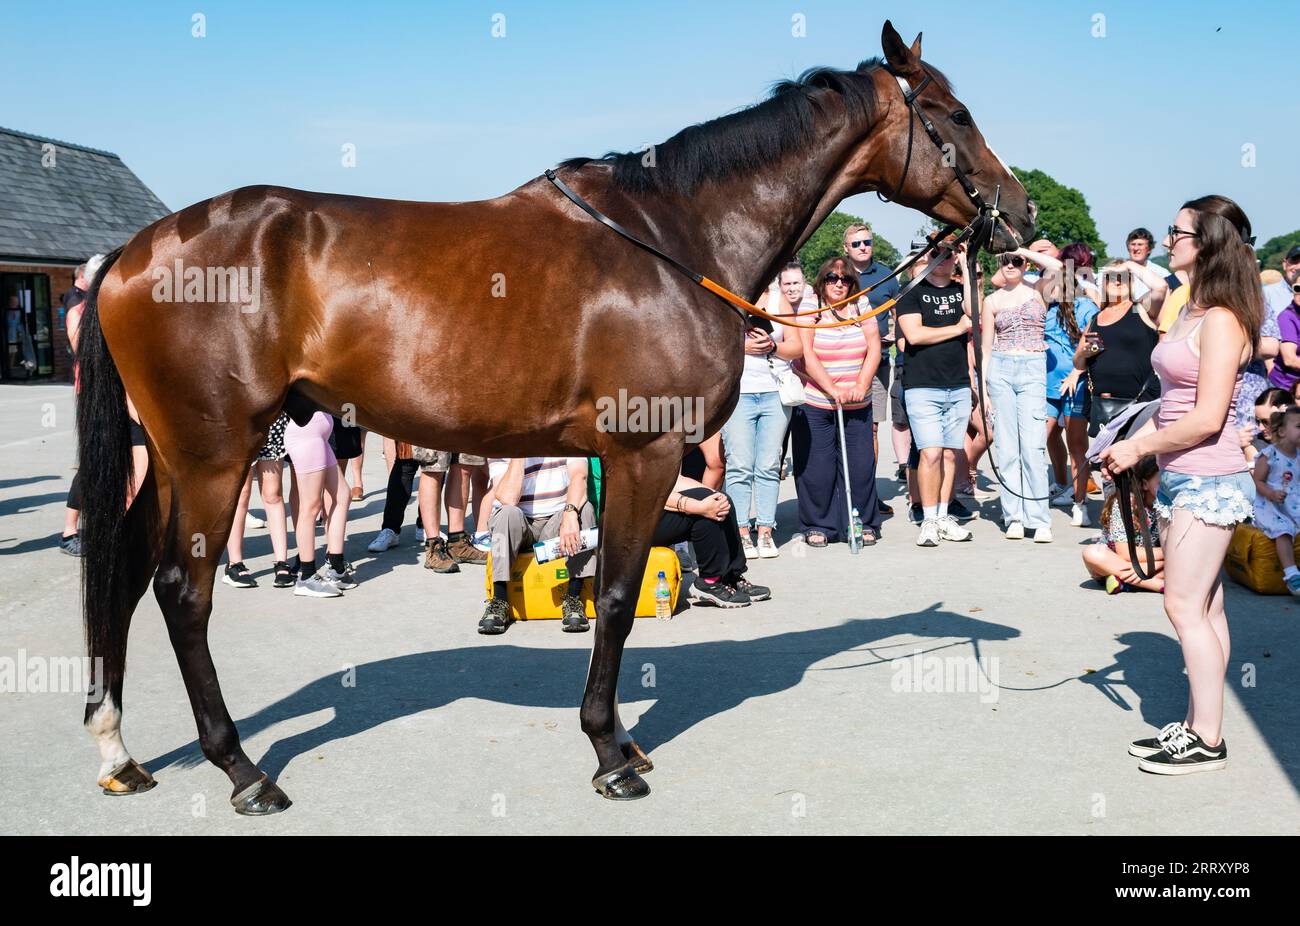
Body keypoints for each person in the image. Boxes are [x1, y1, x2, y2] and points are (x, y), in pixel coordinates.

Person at [1103, 194, 1261, 776]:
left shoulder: (1220, 318)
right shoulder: (1187, 304)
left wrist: (1139, 448)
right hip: (1180, 473)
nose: (1170, 239)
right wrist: (1141, 444)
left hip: (1207, 476)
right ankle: (1198, 724)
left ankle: (1209, 741)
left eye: (1179, 232)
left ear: (1209, 242)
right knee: (1207, 606)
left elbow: (1208, 416)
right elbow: (1173, 400)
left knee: (1182, 605)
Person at [791, 257, 883, 546]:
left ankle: (862, 521)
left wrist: (861, 384)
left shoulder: (860, 304)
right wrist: (831, 389)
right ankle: (819, 524)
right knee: (818, 468)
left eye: (844, 279)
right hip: (818, 400)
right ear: (822, 280)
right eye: (832, 278)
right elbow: (805, 351)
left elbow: (875, 346)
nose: (839, 283)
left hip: (857, 401)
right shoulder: (811, 304)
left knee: (860, 465)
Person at [723, 261, 804, 559]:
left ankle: (766, 530)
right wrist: (742, 348)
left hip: (774, 393)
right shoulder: (730, 295)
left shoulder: (778, 299)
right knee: (740, 464)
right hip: (740, 393)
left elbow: (796, 347)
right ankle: (741, 530)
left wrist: (771, 346)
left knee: (769, 465)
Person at [896, 240, 974, 546]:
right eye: (935, 252)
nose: (943, 257)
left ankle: (943, 516)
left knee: (950, 454)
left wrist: (966, 266)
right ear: (925, 258)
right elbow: (914, 335)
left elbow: (974, 312)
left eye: (949, 252)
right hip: (922, 385)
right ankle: (928, 519)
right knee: (929, 453)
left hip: (957, 384)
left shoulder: (959, 291)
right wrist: (958, 328)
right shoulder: (912, 292)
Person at [479, 457, 596, 634]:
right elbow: (507, 498)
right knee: (505, 513)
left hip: (557, 520)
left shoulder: (564, 433)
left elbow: (579, 476)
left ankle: (574, 598)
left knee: (584, 509)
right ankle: (499, 599)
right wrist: (519, 454)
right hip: (522, 523)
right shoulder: (502, 445)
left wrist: (570, 512)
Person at [981, 250, 1052, 542]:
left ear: (1026, 265)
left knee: (1033, 448)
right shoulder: (992, 299)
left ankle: (1039, 518)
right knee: (1007, 449)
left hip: (1032, 367)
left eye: (1016, 262)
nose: (1010, 265)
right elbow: (985, 348)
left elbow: (1061, 268)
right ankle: (1014, 516)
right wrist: (984, 390)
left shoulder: (1039, 290)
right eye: (1005, 261)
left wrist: (1021, 249)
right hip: (1001, 368)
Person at [1033, 242, 1100, 527]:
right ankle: (1055, 487)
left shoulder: (1086, 306)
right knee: (1042, 437)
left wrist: (1078, 370)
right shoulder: (1046, 308)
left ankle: (1080, 501)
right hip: (1047, 385)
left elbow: (1095, 343)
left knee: (1076, 446)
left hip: (1077, 384)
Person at [843, 222, 900, 516]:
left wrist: (897, 336)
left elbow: (899, 312)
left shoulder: (887, 275)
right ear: (846, 249)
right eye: (856, 244)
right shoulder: (837, 275)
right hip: (840, 362)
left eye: (867, 242)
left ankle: (867, 494)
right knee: (839, 428)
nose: (863, 247)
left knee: (871, 428)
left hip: (877, 362)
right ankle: (841, 492)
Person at [1075, 260, 1164, 438]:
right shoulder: (1096, 317)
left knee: (1137, 462)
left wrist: (1129, 264)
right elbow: (1078, 364)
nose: (1117, 281)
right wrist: (1084, 353)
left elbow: (1161, 287)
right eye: (1111, 277)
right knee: (1105, 462)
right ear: (1104, 283)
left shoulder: (1139, 309)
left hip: (1140, 401)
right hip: (1103, 405)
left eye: (1123, 277)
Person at [658, 472, 770, 607]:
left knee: (719, 499)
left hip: (655, 507)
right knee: (705, 512)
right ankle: (710, 582)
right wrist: (698, 506)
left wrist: (712, 494)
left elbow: (673, 479)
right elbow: (651, 493)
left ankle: (731, 576)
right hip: (636, 528)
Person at [284, 411, 354, 597]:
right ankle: (306, 577)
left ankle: (336, 569)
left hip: (319, 435)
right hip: (307, 435)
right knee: (311, 506)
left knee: (342, 495)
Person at [1082, 454, 1164, 593]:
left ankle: (1125, 582)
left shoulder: (1172, 503)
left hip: (1153, 564)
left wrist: (1157, 563)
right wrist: (1166, 556)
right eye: (1161, 481)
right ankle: (1157, 585)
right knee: (1092, 553)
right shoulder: (1126, 503)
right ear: (1144, 484)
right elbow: (1125, 553)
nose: (1168, 486)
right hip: (1115, 562)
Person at [1251, 406, 1300, 595]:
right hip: (1270, 506)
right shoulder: (1269, 455)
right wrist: (1271, 493)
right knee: (1284, 529)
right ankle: (1291, 574)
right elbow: (1258, 481)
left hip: (1293, 502)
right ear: (1282, 431)